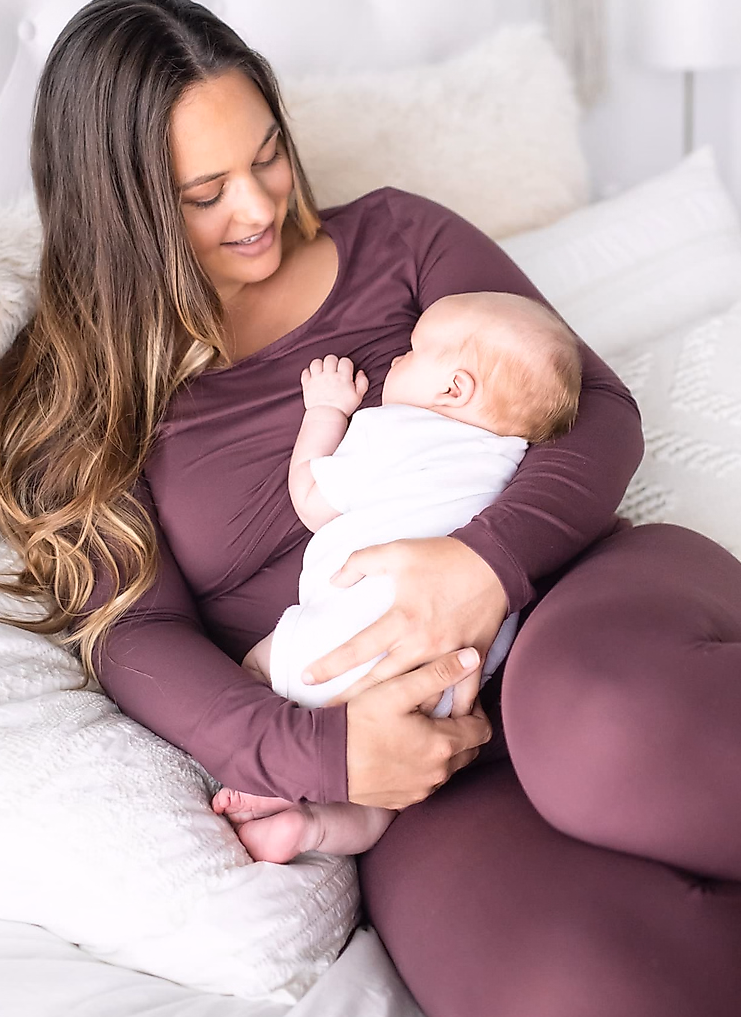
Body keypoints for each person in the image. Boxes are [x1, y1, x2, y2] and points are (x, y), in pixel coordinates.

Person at [0, 0, 741, 1017]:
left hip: (593, 612)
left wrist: (484, 564)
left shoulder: (399, 237)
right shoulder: (68, 397)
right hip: (416, 747)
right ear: (117, 208)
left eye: (268, 156)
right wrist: (325, 757)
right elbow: (139, 636)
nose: (260, 207)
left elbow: (599, 408)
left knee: (594, 726)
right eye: (204, 192)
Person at [212, 291, 583, 863]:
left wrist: (326, 412)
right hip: (451, 679)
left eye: (413, 351)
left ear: (453, 389)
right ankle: (309, 829)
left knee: (257, 671)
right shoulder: (514, 459)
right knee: (386, 796)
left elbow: (312, 500)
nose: (396, 361)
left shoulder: (393, 429)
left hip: (341, 642)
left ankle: (269, 780)